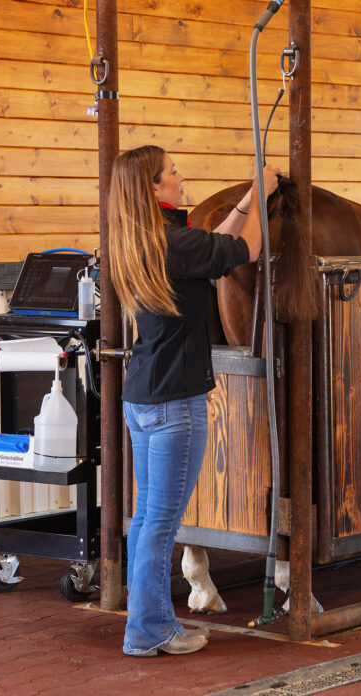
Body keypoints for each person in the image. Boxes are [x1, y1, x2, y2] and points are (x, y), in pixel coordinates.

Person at [107, 145, 278, 657]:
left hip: (141, 396)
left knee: (146, 519)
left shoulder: (141, 240)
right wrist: (264, 196)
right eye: (172, 173)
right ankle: (149, 629)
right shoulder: (173, 244)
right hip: (176, 403)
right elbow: (243, 251)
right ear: (153, 189)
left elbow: (215, 245)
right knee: (160, 522)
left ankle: (147, 621)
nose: (181, 179)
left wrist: (248, 197)